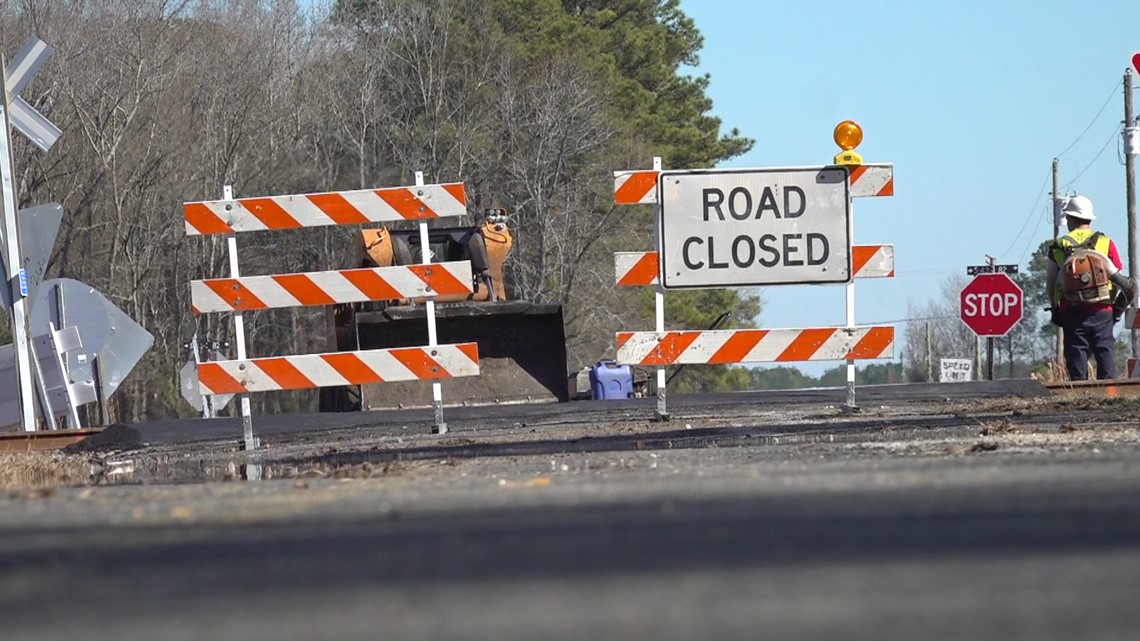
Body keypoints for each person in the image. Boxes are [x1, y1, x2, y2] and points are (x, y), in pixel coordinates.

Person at [1046, 195, 1133, 380]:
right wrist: (1115, 311)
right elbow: (1118, 279)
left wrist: (1055, 308)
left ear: (1069, 219)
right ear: (1089, 219)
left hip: (1071, 310)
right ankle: (1109, 392)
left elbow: (1052, 282)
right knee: (1104, 349)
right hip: (1102, 309)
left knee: (1076, 351)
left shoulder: (1059, 245)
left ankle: (1079, 393)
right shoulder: (1106, 242)